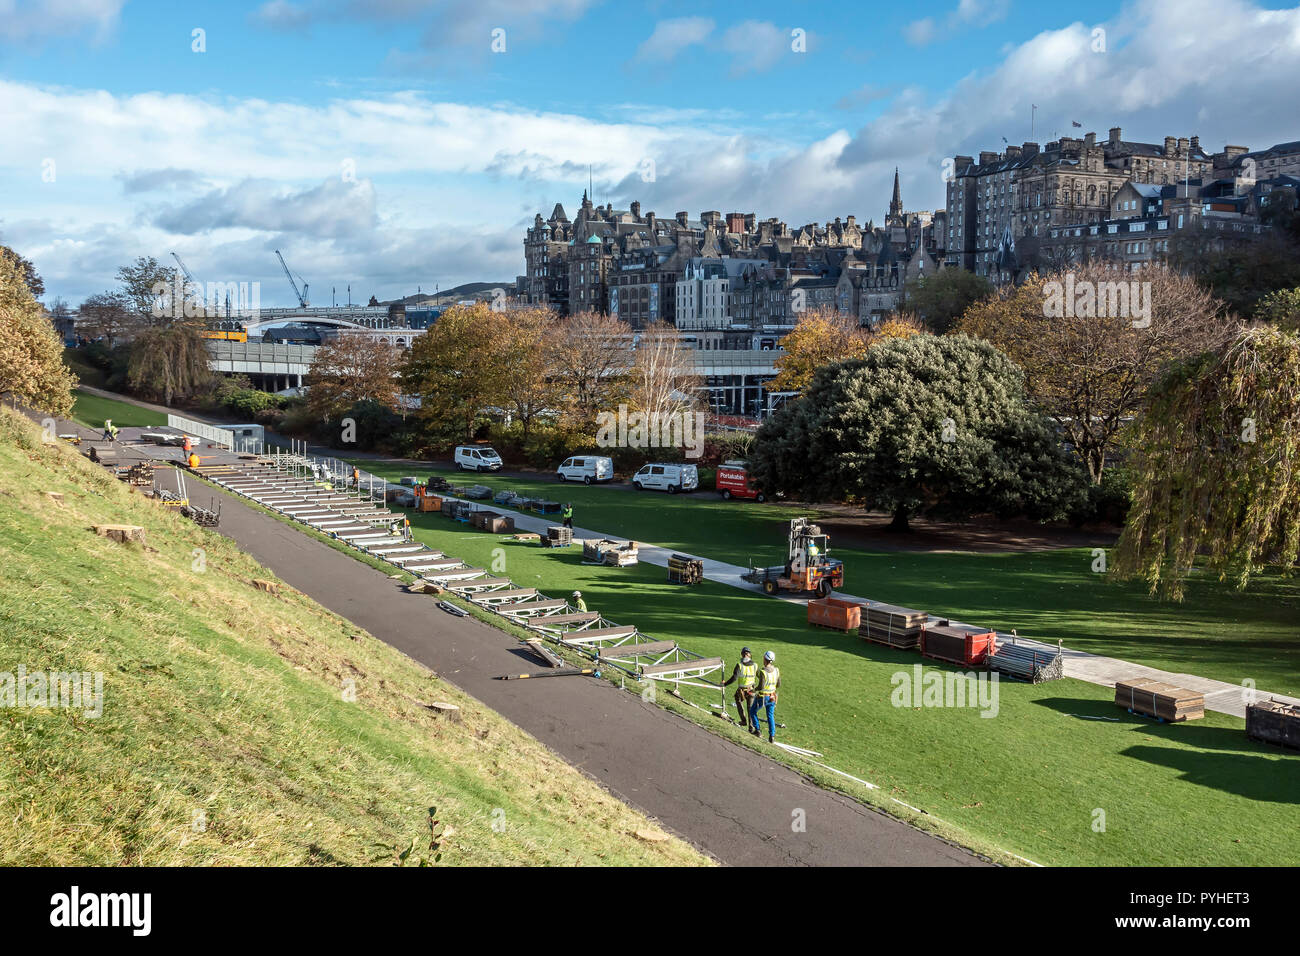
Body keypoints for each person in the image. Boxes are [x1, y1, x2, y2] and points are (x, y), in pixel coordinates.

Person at [722, 647, 760, 732]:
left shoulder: (739, 665)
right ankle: (751, 727)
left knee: (737, 699)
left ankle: (743, 720)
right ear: (750, 655)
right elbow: (761, 677)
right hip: (752, 689)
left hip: (742, 690)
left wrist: (725, 684)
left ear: (742, 655)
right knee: (750, 708)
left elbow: (734, 678)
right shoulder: (755, 665)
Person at [748, 651, 781, 743]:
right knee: (770, 716)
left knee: (752, 711)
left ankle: (757, 730)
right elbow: (778, 684)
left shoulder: (763, 672)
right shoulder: (777, 670)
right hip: (772, 697)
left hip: (763, 697)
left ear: (765, 659)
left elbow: (761, 687)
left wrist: (753, 690)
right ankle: (772, 736)